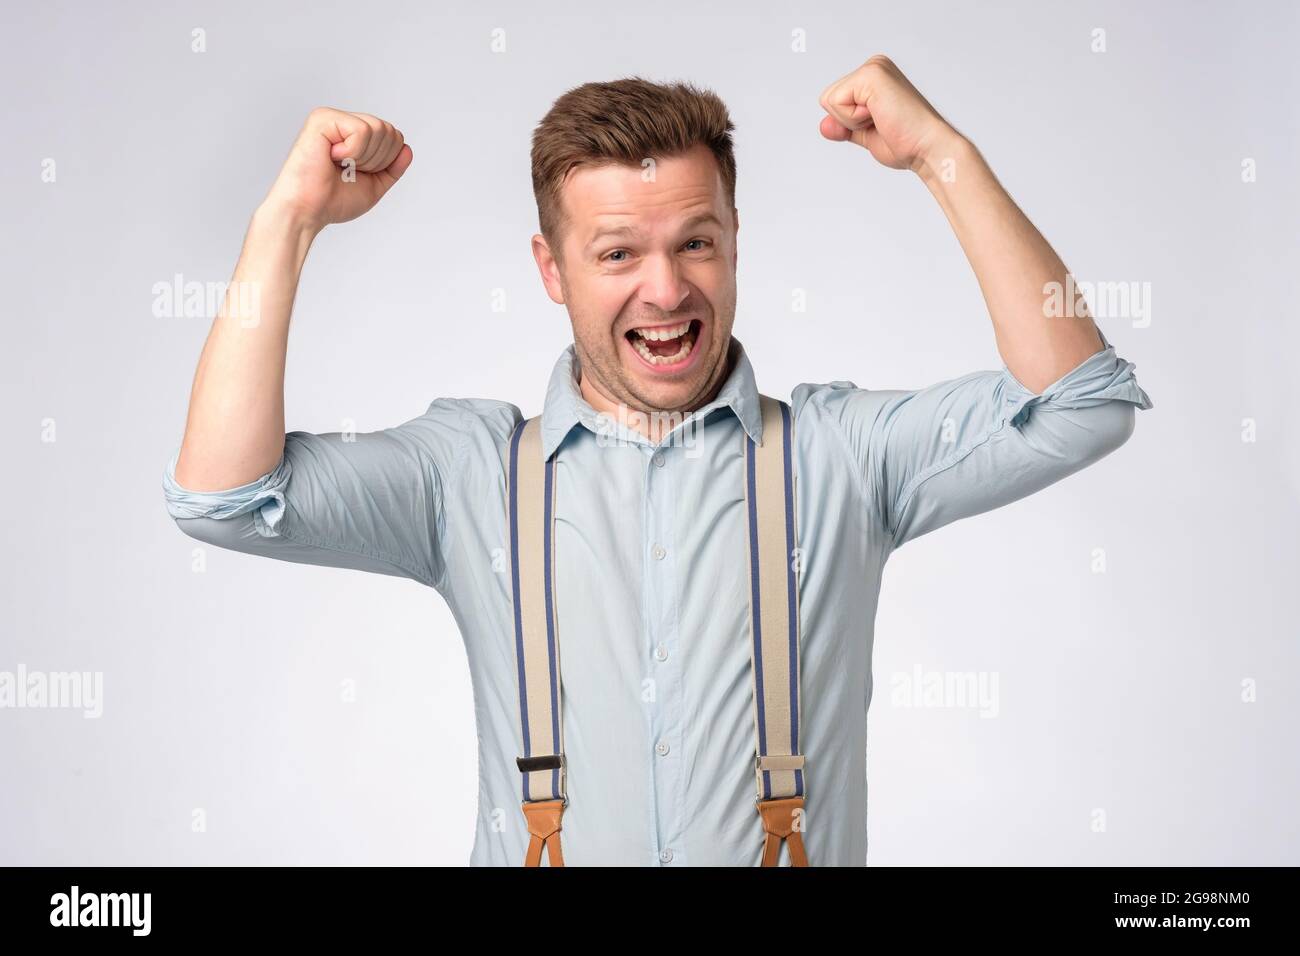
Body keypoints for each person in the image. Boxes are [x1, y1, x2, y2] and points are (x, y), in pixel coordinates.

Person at [162, 55, 1153, 866]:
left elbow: (1082, 405)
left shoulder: (842, 455)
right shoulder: (473, 476)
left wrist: (942, 154)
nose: (666, 288)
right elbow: (225, 498)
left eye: (696, 242)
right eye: (616, 254)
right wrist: (285, 223)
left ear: (734, 242)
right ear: (550, 271)